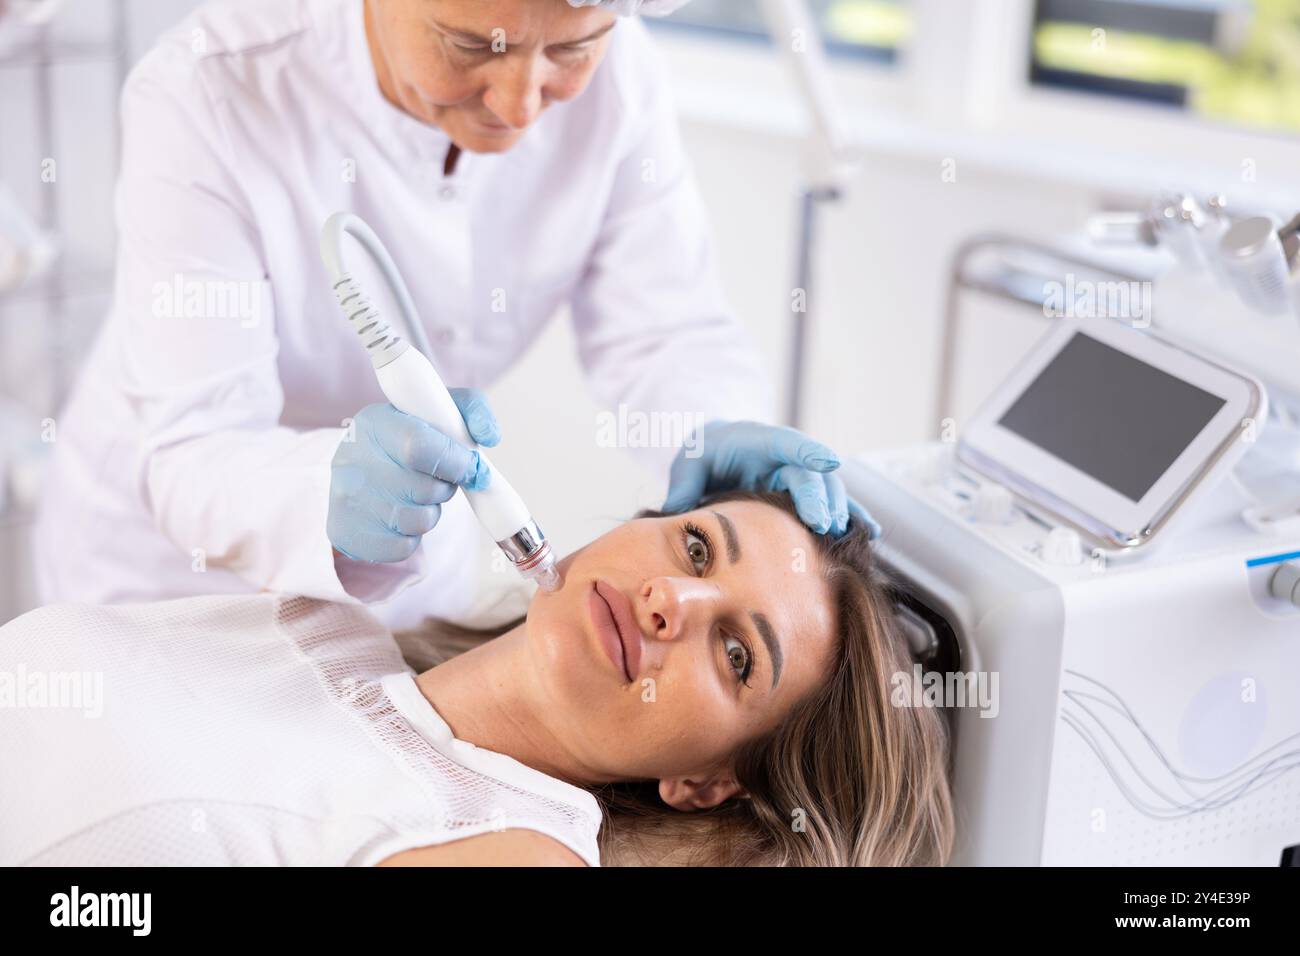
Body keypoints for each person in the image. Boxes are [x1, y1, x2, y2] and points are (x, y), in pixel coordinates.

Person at [33, 0, 877, 630]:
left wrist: (709, 431)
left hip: (406, 579)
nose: (519, 103)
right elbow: (193, 447)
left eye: (573, 49)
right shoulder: (210, 88)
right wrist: (326, 493)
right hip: (161, 580)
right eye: (471, 45)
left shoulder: (625, 83)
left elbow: (664, 329)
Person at [1, 491, 950, 866]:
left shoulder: (518, 850)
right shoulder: (330, 622)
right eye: (697, 545)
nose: (672, 599)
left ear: (705, 782)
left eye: (737, 655)